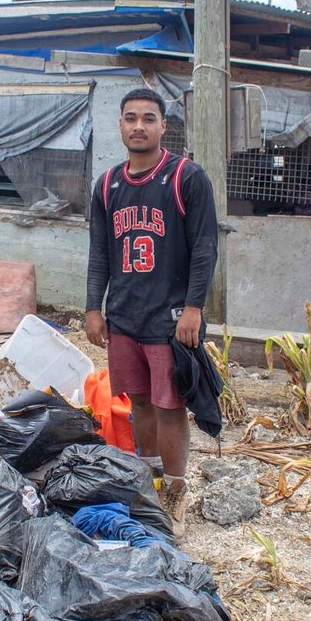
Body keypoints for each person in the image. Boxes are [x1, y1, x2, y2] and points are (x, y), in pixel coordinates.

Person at [85, 87, 219, 540]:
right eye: (130, 118)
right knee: (138, 402)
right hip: (124, 316)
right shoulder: (106, 185)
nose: (138, 126)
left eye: (148, 118)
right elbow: (99, 253)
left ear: (164, 125)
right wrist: (93, 308)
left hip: (170, 317)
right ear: (119, 125)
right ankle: (150, 485)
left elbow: (205, 248)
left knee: (170, 405)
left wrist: (195, 308)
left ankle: (175, 495)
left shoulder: (186, 177)